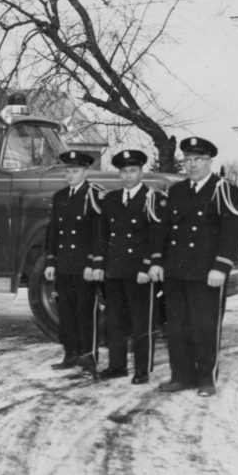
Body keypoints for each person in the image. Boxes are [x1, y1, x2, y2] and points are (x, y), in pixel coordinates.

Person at [149, 136, 238, 397]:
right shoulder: (177, 191)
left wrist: (221, 267)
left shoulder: (224, 189)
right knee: (177, 327)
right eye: (188, 160)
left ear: (209, 161)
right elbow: (163, 229)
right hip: (176, 270)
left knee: (205, 326)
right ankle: (181, 376)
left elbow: (232, 233)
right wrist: (157, 261)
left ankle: (206, 379)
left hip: (207, 272)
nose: (192, 165)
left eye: (198, 160)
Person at [91, 149, 163, 384]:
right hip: (114, 270)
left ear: (141, 172)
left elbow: (156, 237)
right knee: (115, 321)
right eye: (124, 171)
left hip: (138, 271)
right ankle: (117, 365)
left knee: (142, 322)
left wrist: (147, 266)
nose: (128, 176)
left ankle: (142, 369)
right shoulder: (111, 199)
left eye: (133, 171)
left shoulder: (152, 198)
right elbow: (102, 234)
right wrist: (100, 263)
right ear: (119, 174)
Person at [44, 150, 104, 373]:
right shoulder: (60, 197)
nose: (70, 175)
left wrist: (93, 262)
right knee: (67, 313)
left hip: (84, 265)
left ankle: (89, 357)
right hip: (64, 265)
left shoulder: (94, 195)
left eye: (75, 171)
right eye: (67, 171)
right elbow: (54, 232)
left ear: (85, 172)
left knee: (86, 312)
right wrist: (50, 261)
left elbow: (99, 233)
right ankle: (70, 354)